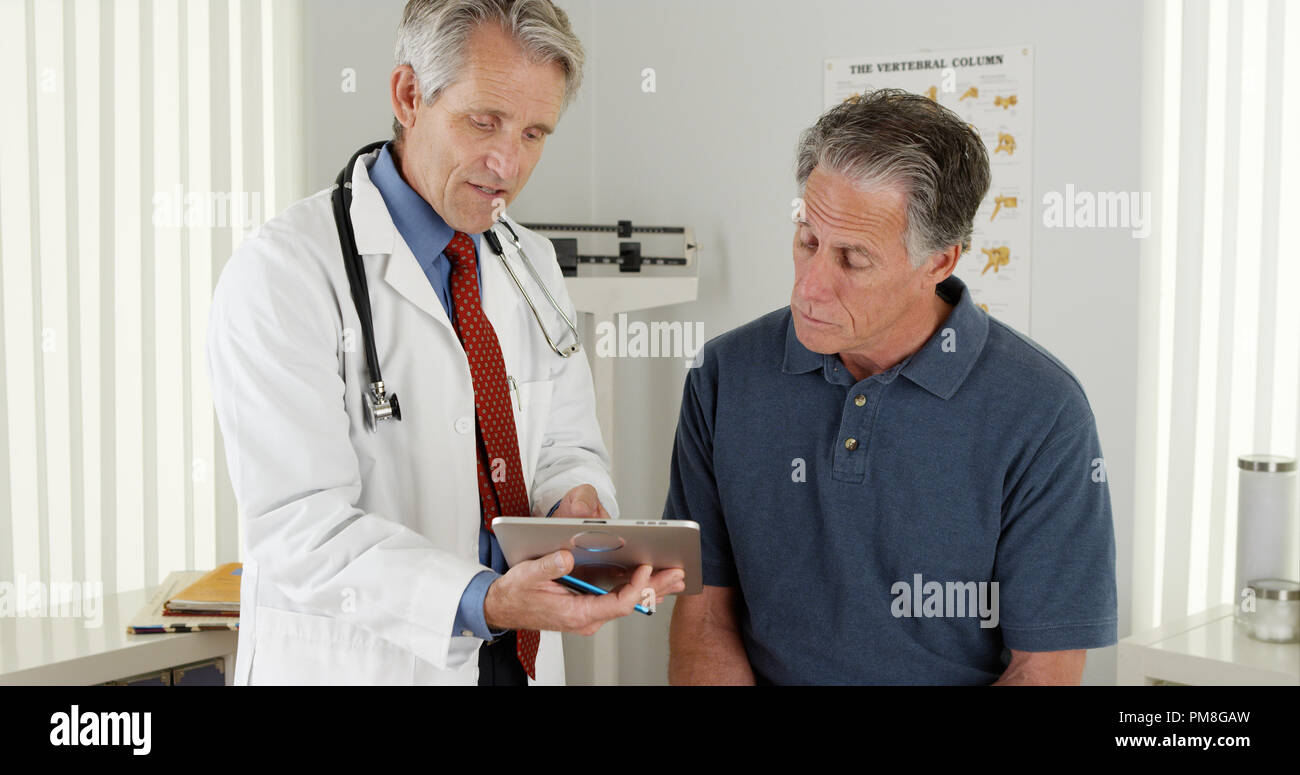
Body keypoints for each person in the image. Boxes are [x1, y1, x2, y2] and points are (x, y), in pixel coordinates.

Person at [207, 0, 683, 686]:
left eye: (534, 132)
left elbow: (565, 441)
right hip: (365, 666)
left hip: (516, 662)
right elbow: (299, 526)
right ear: (408, 95)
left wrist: (573, 505)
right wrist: (482, 599)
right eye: (484, 122)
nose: (507, 162)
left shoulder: (531, 262)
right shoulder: (285, 272)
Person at [664, 89, 1117, 685]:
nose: (809, 288)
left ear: (939, 261)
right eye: (807, 242)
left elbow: (1046, 669)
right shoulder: (724, 376)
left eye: (853, 260)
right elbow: (703, 616)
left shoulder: (1043, 411)